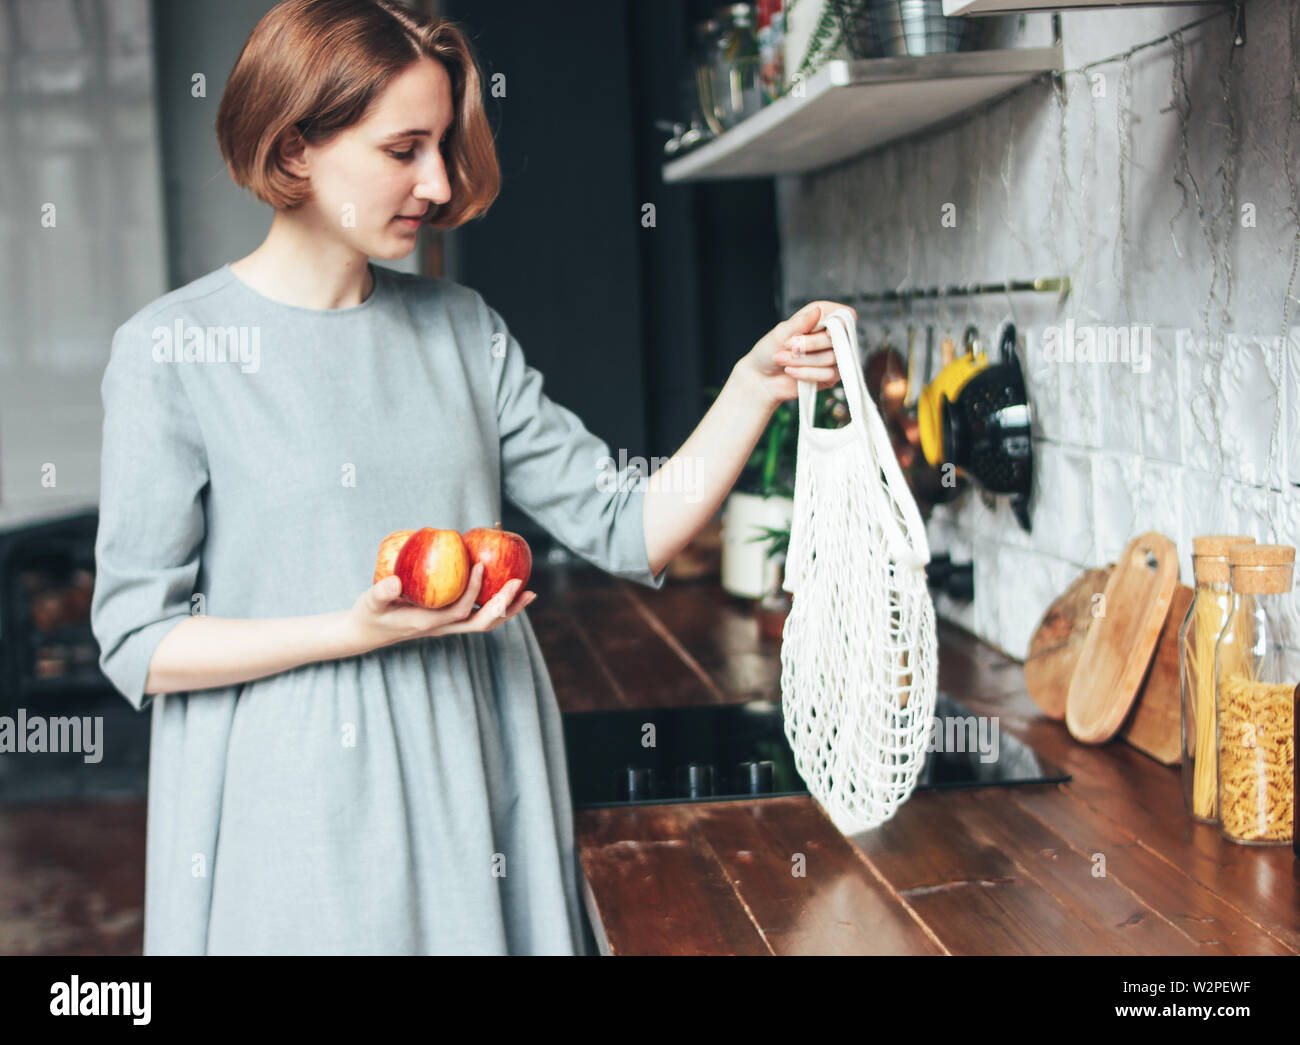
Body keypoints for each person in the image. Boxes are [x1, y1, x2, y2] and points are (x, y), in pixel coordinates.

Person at [90, 0, 851, 955]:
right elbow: (138, 639)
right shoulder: (175, 352)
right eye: (404, 148)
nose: (439, 182)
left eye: (443, 145)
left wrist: (753, 387)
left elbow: (628, 524)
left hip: (479, 759)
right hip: (296, 798)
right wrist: (352, 629)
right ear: (294, 151)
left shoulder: (463, 330)